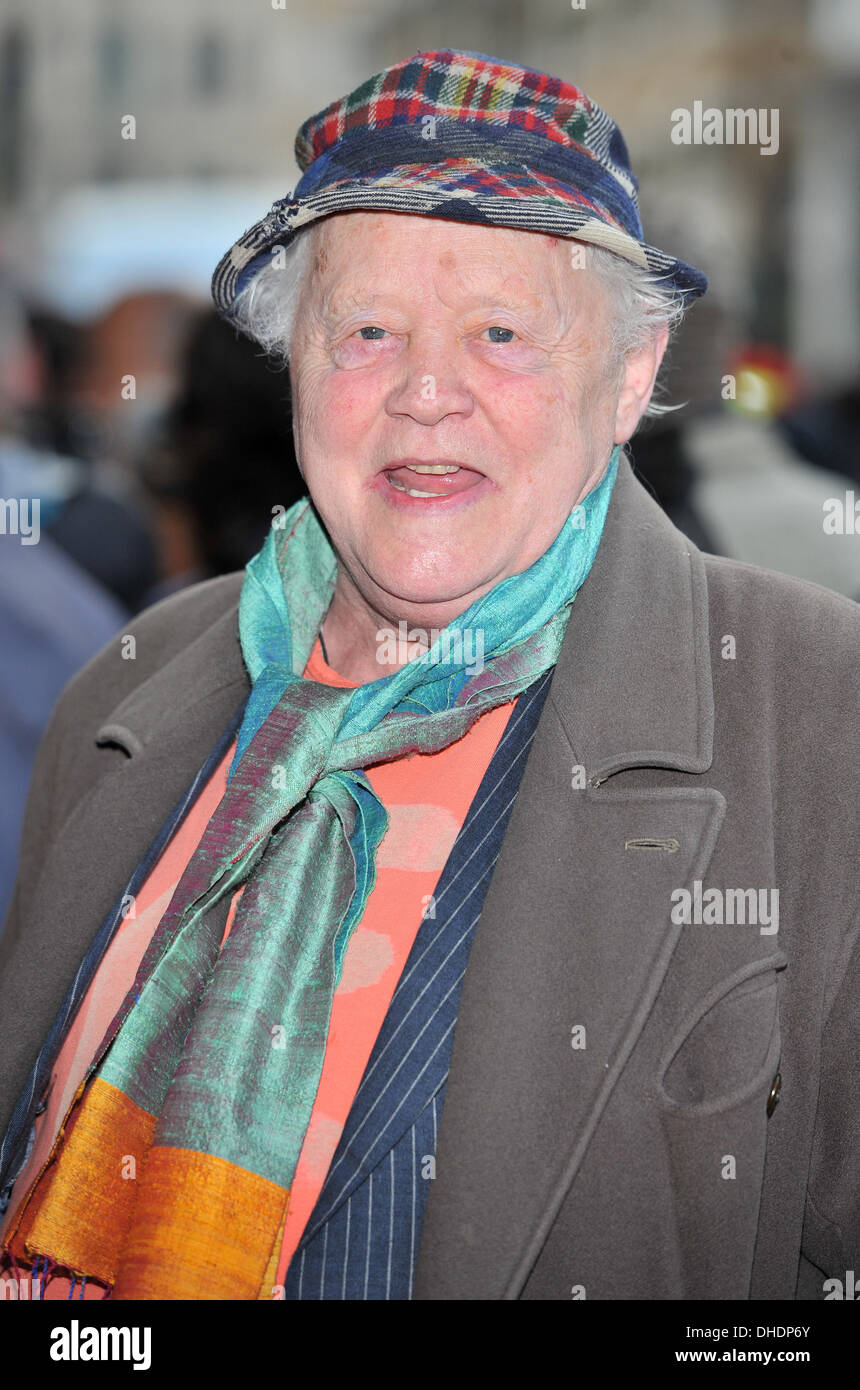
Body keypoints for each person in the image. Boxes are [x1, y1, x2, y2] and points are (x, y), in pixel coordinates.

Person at [0, 48, 856, 1302]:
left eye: (499, 333)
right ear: (291, 360)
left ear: (626, 375)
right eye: (365, 331)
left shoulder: (819, 715)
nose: (426, 393)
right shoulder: (122, 697)